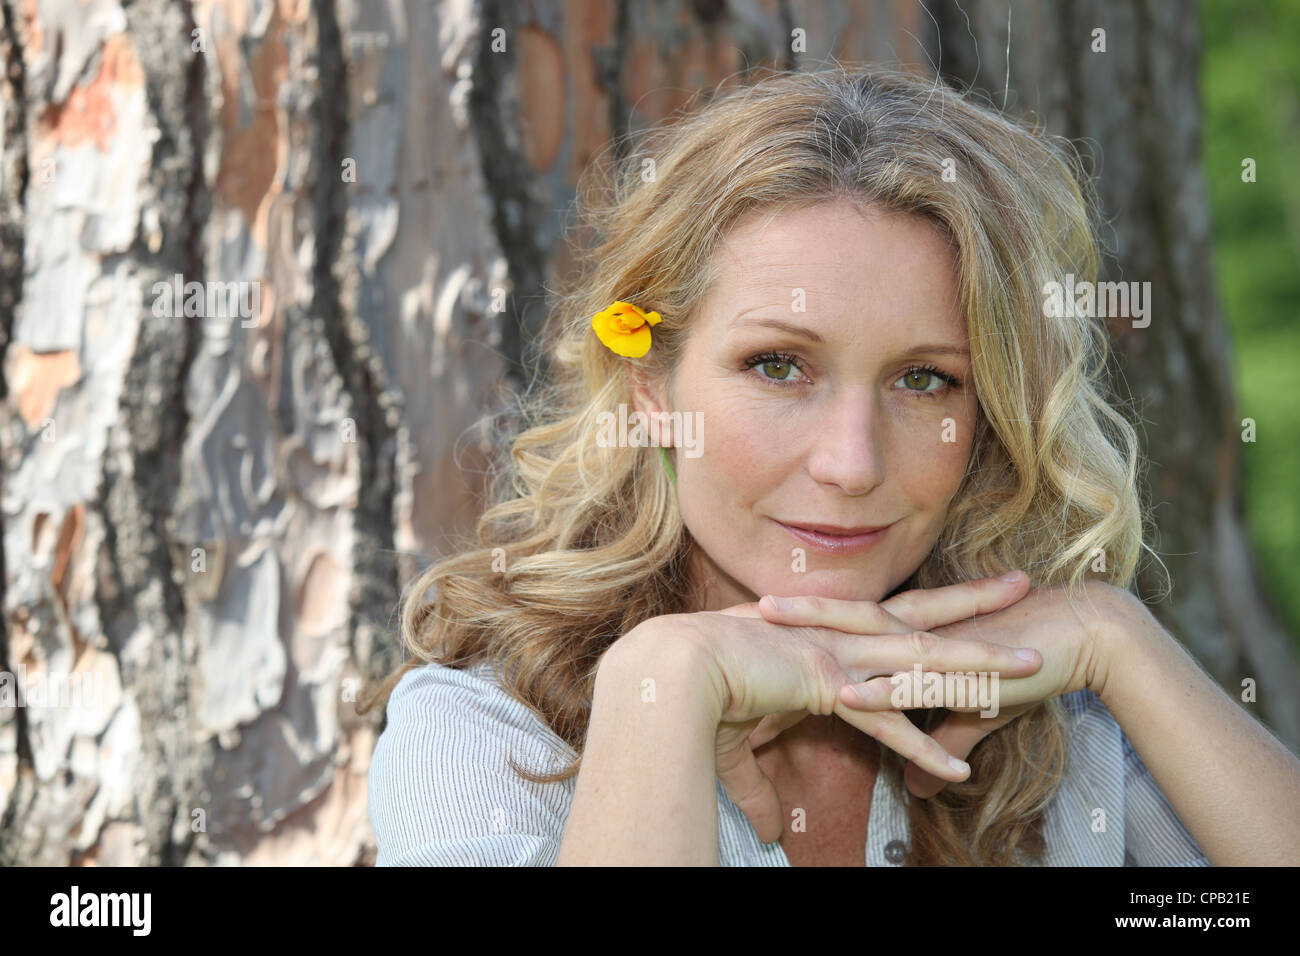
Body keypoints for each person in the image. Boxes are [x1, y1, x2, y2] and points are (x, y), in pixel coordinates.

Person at [360, 65, 1300, 866]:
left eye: (926, 380)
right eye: (779, 366)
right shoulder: (487, 739)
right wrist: (664, 685)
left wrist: (1116, 637)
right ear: (649, 385)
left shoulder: (1061, 714)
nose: (852, 464)